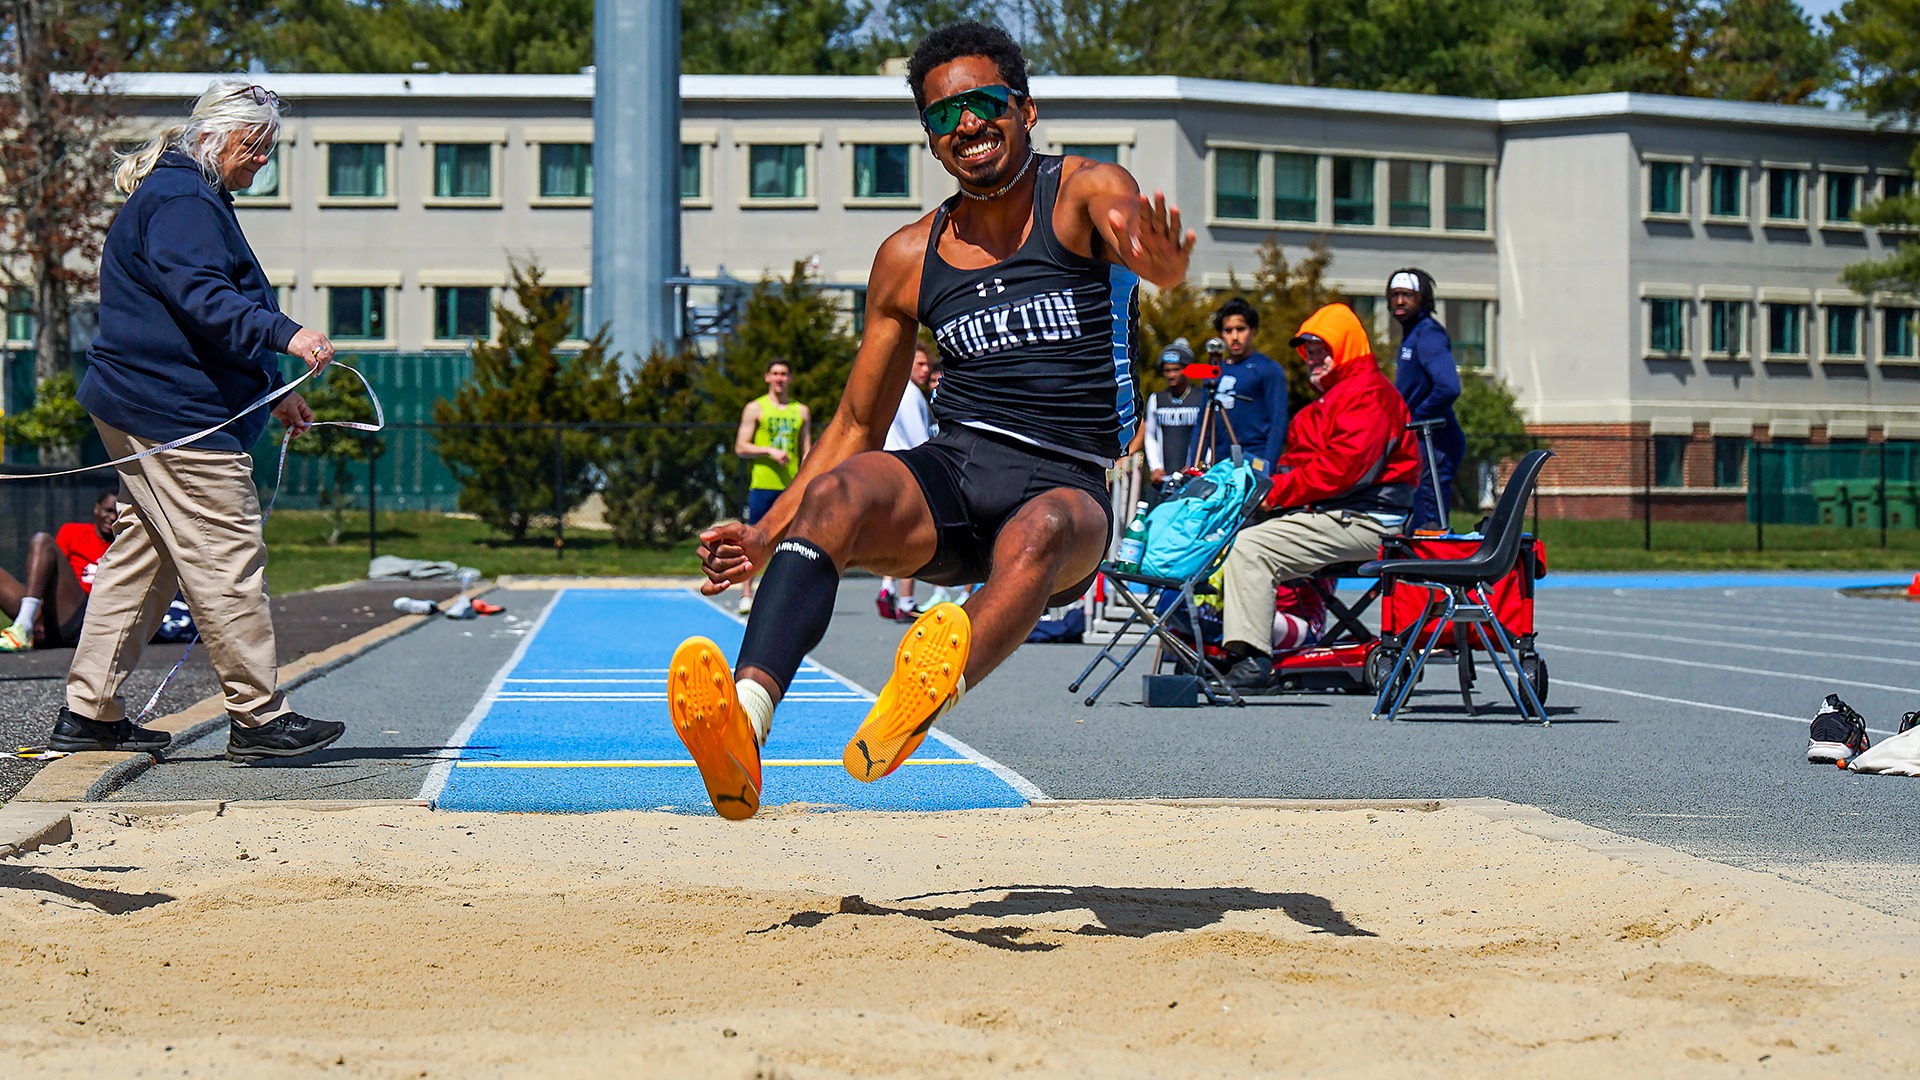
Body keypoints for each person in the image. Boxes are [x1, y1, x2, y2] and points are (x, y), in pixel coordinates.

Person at [670, 20, 1195, 819]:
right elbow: (853, 422)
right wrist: (768, 531)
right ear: (930, 139)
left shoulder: (1082, 192)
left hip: (1070, 489)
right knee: (841, 493)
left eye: (983, 104)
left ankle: (917, 700)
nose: (967, 126)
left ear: (1024, 109)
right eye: (944, 117)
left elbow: (1132, 230)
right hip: (956, 476)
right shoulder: (910, 256)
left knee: (1044, 526)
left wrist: (1160, 265)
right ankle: (743, 724)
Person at [48, 81, 346, 760]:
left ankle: (89, 711)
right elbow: (204, 298)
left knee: (146, 556)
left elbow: (186, 316)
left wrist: (270, 391)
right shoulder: (184, 200)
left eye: (269, 147)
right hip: (174, 413)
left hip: (141, 400)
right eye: (254, 145)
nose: (263, 160)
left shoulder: (182, 195)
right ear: (214, 138)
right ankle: (260, 718)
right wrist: (286, 334)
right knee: (227, 553)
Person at [1219, 303, 1421, 691]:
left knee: (1250, 546)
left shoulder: (1369, 394)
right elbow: (1297, 462)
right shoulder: (1328, 402)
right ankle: (1245, 642)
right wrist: (1264, 486)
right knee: (1231, 532)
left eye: (1322, 350)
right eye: (1309, 352)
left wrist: (1277, 492)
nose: (1313, 360)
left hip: (1370, 521)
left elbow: (1346, 467)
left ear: (1345, 347)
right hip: (1341, 514)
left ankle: (1253, 659)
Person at [732, 358, 812, 615]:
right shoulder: (756, 408)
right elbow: (741, 446)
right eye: (775, 374)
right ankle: (747, 594)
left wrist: (809, 478)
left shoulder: (800, 411)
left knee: (792, 543)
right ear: (767, 377)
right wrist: (768, 451)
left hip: (791, 489)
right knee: (754, 539)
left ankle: (784, 596)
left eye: (784, 374)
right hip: (763, 486)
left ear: (790, 379)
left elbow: (807, 449)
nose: (779, 378)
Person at [1389, 268, 1465, 531]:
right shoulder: (1411, 335)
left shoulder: (1428, 334)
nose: (1399, 301)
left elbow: (1448, 386)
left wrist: (1418, 419)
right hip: (1419, 442)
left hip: (1434, 443)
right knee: (1414, 518)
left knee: (1429, 523)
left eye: (1407, 295)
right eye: (1394, 295)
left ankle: (1428, 572)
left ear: (1423, 299)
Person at [0, 491, 117, 652]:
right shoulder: (72, 532)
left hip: (85, 618)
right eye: (108, 511)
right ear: (96, 509)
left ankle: (24, 625)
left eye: (118, 513)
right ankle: (25, 623)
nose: (112, 518)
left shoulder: (124, 546)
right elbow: (46, 575)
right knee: (41, 543)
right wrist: (37, 613)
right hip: (48, 614)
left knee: (43, 541)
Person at [876, 341, 936, 621]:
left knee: (896, 536)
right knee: (914, 537)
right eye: (920, 364)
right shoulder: (911, 394)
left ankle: (888, 588)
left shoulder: (895, 390)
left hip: (889, 468)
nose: (925, 370)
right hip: (908, 472)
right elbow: (919, 440)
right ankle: (907, 600)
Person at [1205, 297, 1289, 475]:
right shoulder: (1213, 370)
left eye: (1240, 329)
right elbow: (1202, 422)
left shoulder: (1267, 369)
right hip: (1220, 462)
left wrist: (1268, 467)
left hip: (1254, 459)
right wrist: (1193, 463)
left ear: (1253, 331)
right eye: (1228, 331)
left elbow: (1278, 421)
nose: (1234, 337)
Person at [1143, 338, 1202, 492]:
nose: (1171, 375)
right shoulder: (1157, 399)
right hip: (1163, 480)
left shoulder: (1200, 398)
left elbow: (1206, 436)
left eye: (1176, 369)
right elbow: (1150, 435)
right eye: (1167, 370)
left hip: (1193, 477)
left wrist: (1196, 465)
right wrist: (1155, 467)